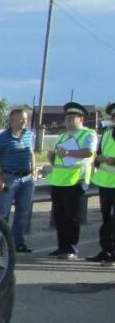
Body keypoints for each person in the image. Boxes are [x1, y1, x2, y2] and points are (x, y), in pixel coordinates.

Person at [46, 101, 96, 259]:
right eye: (67, 116)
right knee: (59, 217)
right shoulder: (62, 136)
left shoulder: (88, 134)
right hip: (59, 180)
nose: (68, 118)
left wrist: (68, 153)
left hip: (76, 180)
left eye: (72, 116)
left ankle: (71, 249)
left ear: (80, 119)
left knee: (72, 217)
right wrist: (52, 157)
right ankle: (62, 247)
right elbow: (56, 157)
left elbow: (88, 152)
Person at [0, 107, 36, 253]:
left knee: (23, 213)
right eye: (21, 119)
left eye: (26, 119)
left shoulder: (29, 135)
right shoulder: (2, 138)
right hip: (10, 178)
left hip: (27, 179)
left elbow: (31, 153)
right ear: (12, 120)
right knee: (3, 213)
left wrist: (33, 171)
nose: (24, 122)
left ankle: (19, 242)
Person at [86, 101, 115, 264]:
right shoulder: (107, 134)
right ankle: (106, 250)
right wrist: (98, 159)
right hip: (105, 183)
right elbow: (98, 155)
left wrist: (112, 160)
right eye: (113, 116)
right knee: (106, 220)